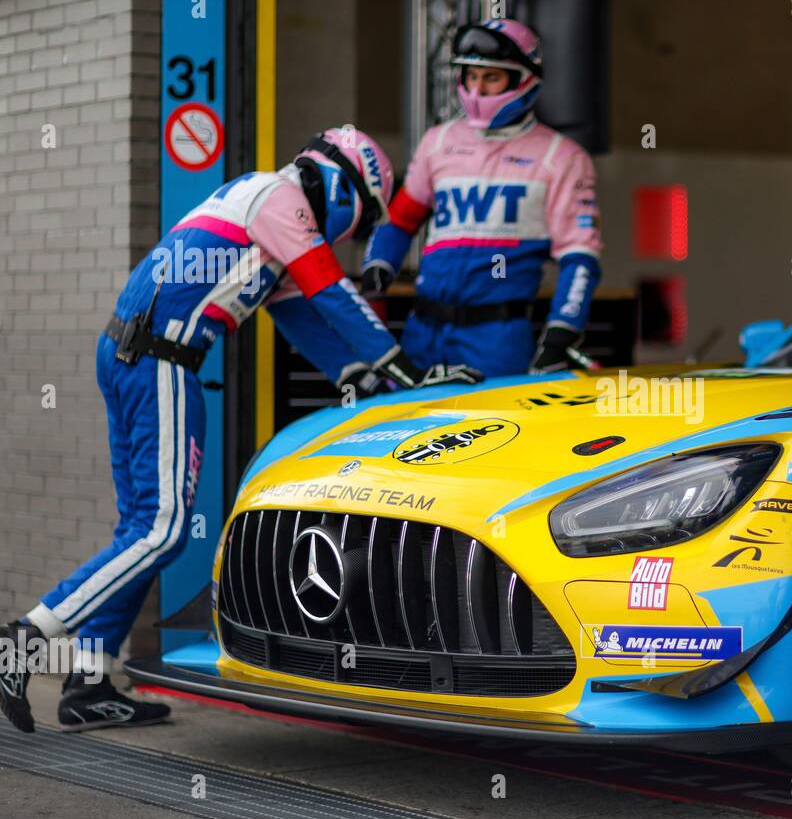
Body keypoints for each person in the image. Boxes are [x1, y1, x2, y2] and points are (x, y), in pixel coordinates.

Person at [0, 127, 478, 734]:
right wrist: (408, 371)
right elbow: (335, 295)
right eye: (361, 221)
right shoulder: (281, 201)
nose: (352, 235)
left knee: (139, 528)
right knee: (163, 530)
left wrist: (384, 380)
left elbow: (311, 326)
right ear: (345, 185)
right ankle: (22, 640)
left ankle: (90, 678)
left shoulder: (263, 210)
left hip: (127, 353)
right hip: (162, 360)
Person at [361, 18, 603, 377]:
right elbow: (400, 217)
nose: (478, 89)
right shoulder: (438, 141)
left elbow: (580, 257)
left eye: (491, 77)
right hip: (421, 328)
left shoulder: (563, 156)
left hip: (497, 335)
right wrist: (379, 261)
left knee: (496, 430)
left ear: (524, 78)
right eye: (471, 76)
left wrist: (561, 334)